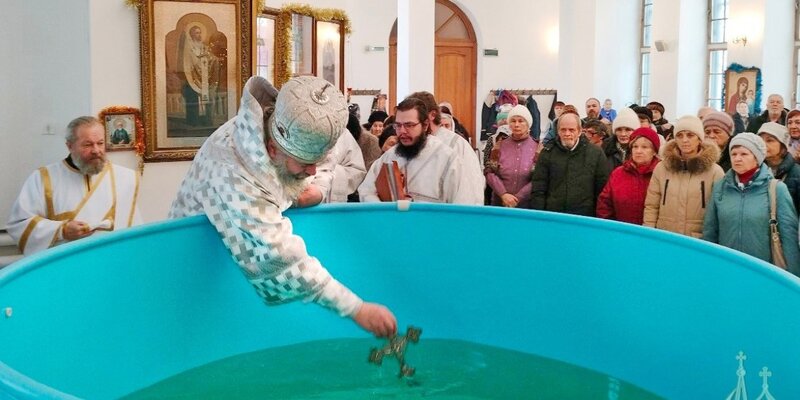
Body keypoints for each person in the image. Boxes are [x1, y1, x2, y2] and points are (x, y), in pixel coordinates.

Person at [169, 76, 397, 338]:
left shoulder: (286, 124)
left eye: (315, 162)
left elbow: (321, 166)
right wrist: (357, 309)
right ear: (272, 149)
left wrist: (319, 191)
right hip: (191, 277)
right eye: (304, 164)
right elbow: (281, 260)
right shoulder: (233, 172)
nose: (312, 172)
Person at [7, 116, 142, 255]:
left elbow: (134, 227)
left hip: (112, 260)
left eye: (100, 143)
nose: (96, 150)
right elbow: (20, 224)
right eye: (88, 145)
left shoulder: (124, 178)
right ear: (70, 146)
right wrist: (61, 230)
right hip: (65, 264)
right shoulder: (43, 178)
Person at [703, 133, 800, 274]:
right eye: (734, 154)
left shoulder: (776, 189)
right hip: (727, 267)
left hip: (763, 270)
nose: (737, 158)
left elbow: (789, 236)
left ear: (757, 157)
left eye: (744, 154)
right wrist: (708, 265)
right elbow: (710, 230)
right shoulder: (721, 187)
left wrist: (793, 279)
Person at [359, 98, 477, 204]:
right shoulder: (390, 156)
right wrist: (386, 209)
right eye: (398, 126)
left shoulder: (447, 159)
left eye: (409, 125)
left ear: (425, 125)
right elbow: (366, 190)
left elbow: (463, 202)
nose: (402, 131)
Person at [644, 116, 725, 238]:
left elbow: (719, 211)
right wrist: (648, 234)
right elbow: (651, 206)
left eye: (690, 135)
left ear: (699, 139)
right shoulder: (662, 168)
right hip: (665, 236)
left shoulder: (714, 171)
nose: (684, 140)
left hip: (697, 240)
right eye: (680, 135)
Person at [407, 91, 484, 204]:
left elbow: (471, 192)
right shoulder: (409, 144)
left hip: (445, 216)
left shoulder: (457, 145)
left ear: (432, 115)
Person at [531, 112, 610, 216]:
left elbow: (602, 189)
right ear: (558, 131)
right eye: (563, 130)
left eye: (571, 130)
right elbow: (539, 187)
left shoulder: (596, 154)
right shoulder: (547, 153)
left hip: (584, 218)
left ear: (579, 131)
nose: (567, 133)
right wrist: (539, 216)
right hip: (553, 216)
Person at [597, 128, 661, 224]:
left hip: (651, 234)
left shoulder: (661, 174)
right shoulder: (618, 173)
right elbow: (604, 204)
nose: (638, 151)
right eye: (635, 147)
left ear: (654, 151)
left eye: (644, 147)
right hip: (622, 232)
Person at [485, 105, 538, 208]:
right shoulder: (499, 145)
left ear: (528, 125)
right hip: (500, 204)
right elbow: (489, 172)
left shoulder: (537, 148)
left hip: (526, 206)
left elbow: (538, 179)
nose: (516, 125)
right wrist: (503, 194)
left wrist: (518, 197)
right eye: (513, 121)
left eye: (521, 121)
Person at [178, 23, 221, 127]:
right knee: (193, 101)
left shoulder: (204, 47)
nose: (199, 35)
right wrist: (199, 62)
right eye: (196, 33)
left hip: (205, 77)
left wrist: (214, 59)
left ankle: (208, 121)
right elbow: (190, 62)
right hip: (192, 77)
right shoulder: (189, 48)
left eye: (200, 32)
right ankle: (194, 122)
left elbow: (210, 57)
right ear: (192, 34)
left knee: (208, 100)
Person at [758, 122, 800, 213]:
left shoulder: (797, 173)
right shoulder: (756, 170)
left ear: (783, 146)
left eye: (769, 140)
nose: (763, 144)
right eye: (760, 140)